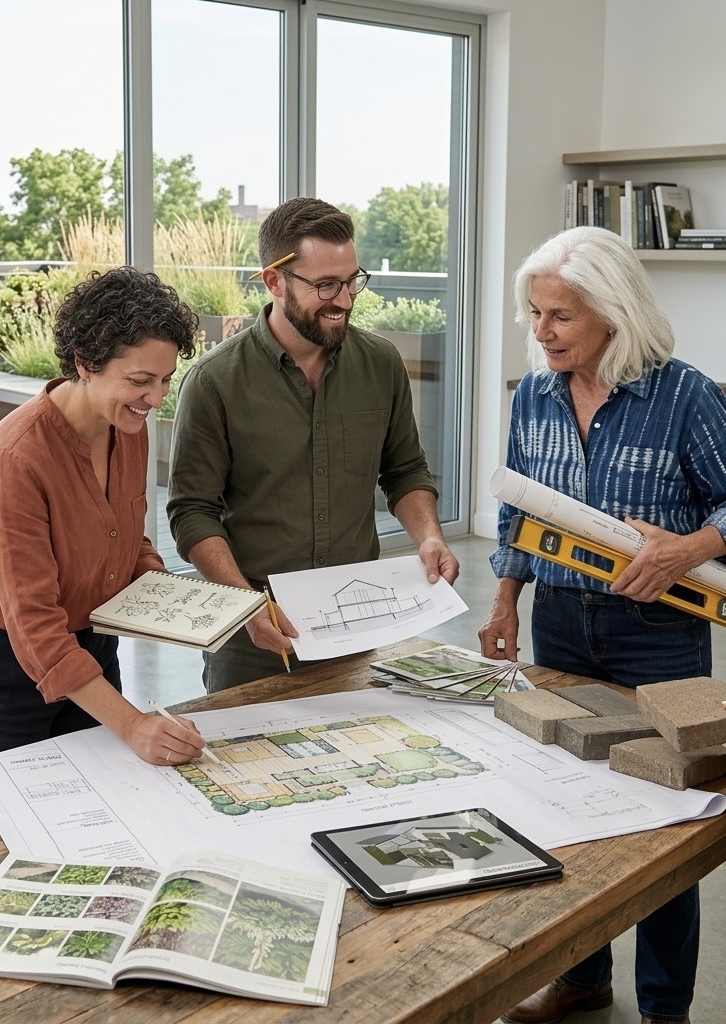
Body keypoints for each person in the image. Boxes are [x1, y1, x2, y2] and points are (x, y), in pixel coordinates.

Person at [480, 225, 726, 1024]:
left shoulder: (686, 396)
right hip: (558, 623)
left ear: (614, 314)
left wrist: (689, 547)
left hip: (657, 633)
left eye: (560, 316)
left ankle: (664, 1010)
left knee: (663, 821)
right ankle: (583, 980)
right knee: (566, 806)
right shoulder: (534, 394)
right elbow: (518, 509)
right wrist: (505, 598)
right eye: (534, 313)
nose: (542, 331)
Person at [167, 196, 458, 693]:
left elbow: (404, 470)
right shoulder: (214, 382)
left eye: (351, 281)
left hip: (360, 621)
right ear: (274, 281)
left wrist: (429, 537)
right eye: (325, 285)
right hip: (254, 633)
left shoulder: (382, 364)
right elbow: (192, 511)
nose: (343, 300)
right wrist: (246, 605)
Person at [0, 266, 206, 764]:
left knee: (105, 790)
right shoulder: (15, 457)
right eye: (141, 381)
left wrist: (173, 597)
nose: (157, 399)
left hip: (89, 644)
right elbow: (34, 624)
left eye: (166, 379)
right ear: (85, 362)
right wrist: (133, 725)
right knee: (5, 806)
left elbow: (125, 539)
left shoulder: (128, 427)